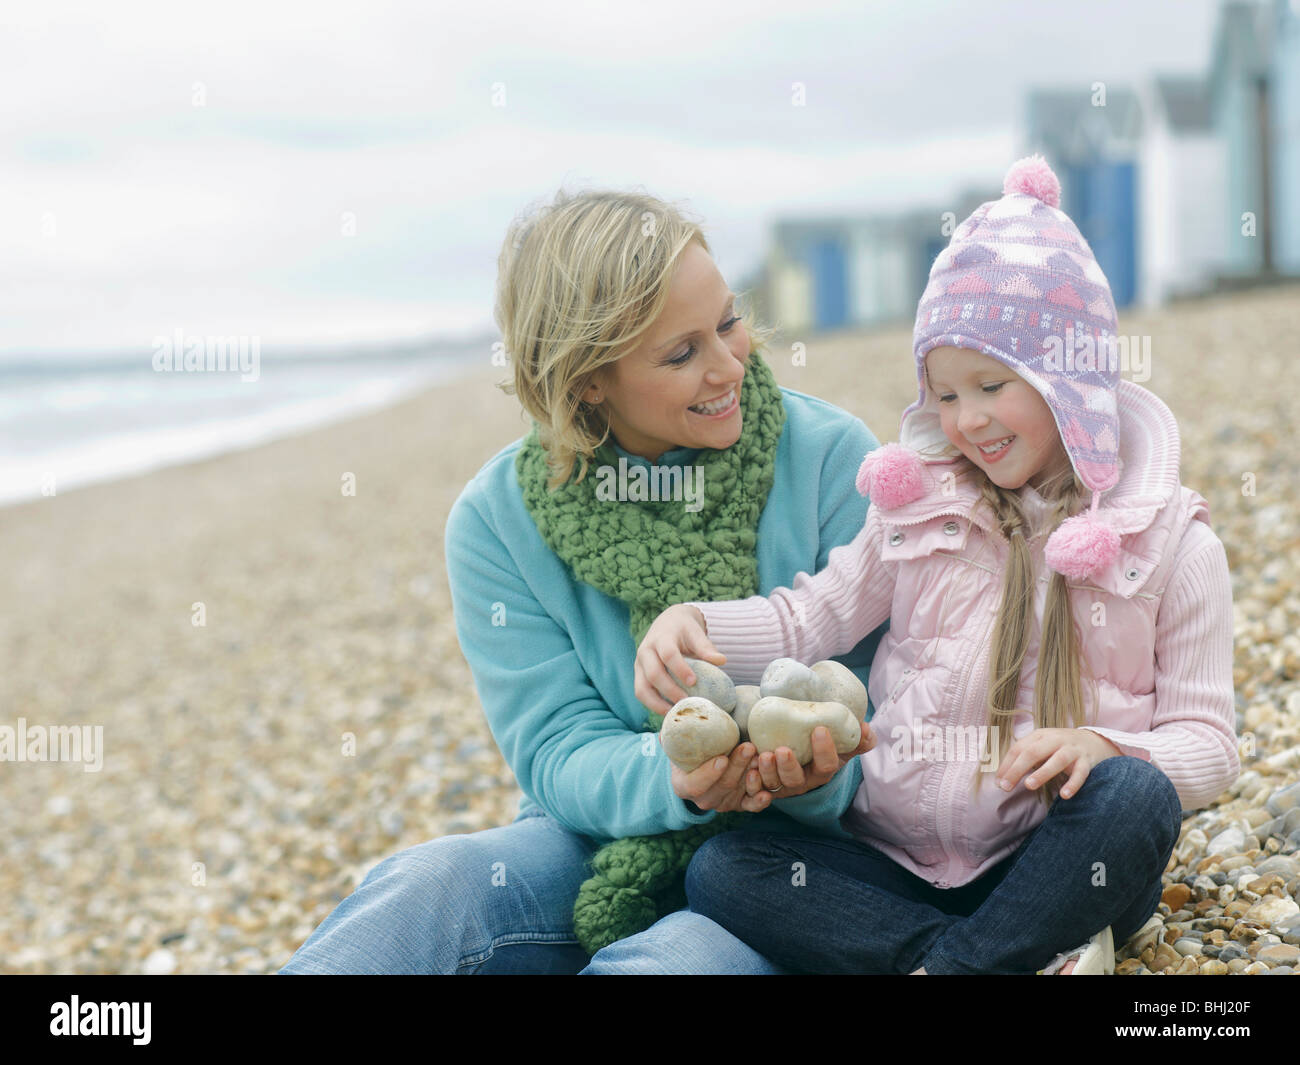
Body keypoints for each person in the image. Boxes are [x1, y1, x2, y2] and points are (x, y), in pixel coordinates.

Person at [636, 157, 1239, 975]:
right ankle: (981, 960)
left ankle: (983, 952)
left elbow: (1209, 744)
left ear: (1073, 382)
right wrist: (698, 622)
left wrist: (1103, 746)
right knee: (723, 868)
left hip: (1053, 862)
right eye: (946, 394)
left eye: (992, 385)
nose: (968, 421)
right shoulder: (917, 508)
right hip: (899, 863)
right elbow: (812, 615)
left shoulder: (1172, 545)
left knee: (1135, 802)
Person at [278, 187, 887, 975]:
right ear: (588, 379)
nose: (729, 363)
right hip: (595, 843)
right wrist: (680, 779)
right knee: (424, 885)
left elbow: (888, 713)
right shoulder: (496, 520)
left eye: (729, 321)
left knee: (675, 962)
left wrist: (811, 773)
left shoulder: (836, 459)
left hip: (798, 863)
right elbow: (558, 747)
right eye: (682, 352)